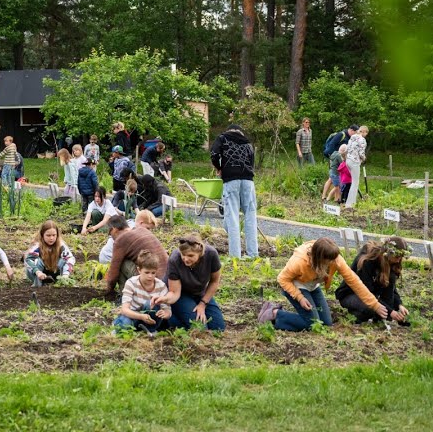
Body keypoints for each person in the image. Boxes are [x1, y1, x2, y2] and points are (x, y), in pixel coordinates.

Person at [258, 238, 387, 331]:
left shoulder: (335, 259)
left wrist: (374, 304)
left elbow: (354, 282)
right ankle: (274, 313)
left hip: (313, 286)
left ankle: (282, 315)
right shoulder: (299, 262)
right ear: (319, 258)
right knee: (312, 324)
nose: (333, 262)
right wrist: (300, 297)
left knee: (326, 323)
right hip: (297, 285)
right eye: (329, 260)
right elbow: (282, 279)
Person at [158, 234, 225, 331]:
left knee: (218, 328)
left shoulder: (211, 254)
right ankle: (171, 319)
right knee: (200, 328)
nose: (185, 259)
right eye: (183, 255)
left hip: (199, 292)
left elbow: (214, 282)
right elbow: (174, 292)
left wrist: (202, 304)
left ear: (200, 253)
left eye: (190, 255)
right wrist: (165, 299)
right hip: (181, 294)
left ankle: (183, 316)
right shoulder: (175, 259)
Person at [336, 237, 410, 325]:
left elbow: (391, 289)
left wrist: (399, 305)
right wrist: (390, 312)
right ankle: (354, 315)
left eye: (401, 258)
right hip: (352, 293)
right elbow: (366, 292)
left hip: (370, 295)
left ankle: (377, 316)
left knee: (385, 309)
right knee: (370, 309)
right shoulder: (367, 262)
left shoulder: (391, 263)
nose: (398, 260)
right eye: (397, 257)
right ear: (388, 253)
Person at [212, 123, 259, 258]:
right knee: (250, 215)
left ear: (229, 130)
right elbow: (252, 162)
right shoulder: (247, 142)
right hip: (248, 181)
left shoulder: (222, 138)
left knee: (232, 216)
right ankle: (253, 254)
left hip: (231, 179)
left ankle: (235, 256)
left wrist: (219, 168)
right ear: (240, 132)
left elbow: (214, 154)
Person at [101, 213, 167, 297]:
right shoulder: (142, 230)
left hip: (153, 282)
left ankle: (125, 296)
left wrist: (109, 290)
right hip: (166, 280)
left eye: (110, 234)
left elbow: (113, 273)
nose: (111, 237)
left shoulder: (121, 240)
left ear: (114, 229)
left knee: (121, 263)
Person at [113, 250, 173, 335]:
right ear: (139, 270)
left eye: (153, 273)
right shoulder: (131, 283)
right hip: (133, 316)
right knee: (124, 324)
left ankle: (150, 330)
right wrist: (141, 316)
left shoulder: (161, 286)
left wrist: (165, 313)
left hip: (150, 318)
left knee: (153, 302)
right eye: (147, 272)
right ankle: (121, 326)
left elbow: (167, 310)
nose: (150, 276)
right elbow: (124, 309)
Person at [24, 220, 75, 286]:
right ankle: (38, 285)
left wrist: (66, 274)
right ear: (42, 235)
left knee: (64, 260)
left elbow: (70, 258)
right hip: (39, 273)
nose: (51, 238)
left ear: (57, 235)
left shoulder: (61, 245)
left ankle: (61, 282)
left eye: (54, 235)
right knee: (37, 261)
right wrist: (37, 272)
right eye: (48, 235)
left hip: (55, 272)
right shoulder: (37, 246)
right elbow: (28, 259)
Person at [321, 124, 359, 200]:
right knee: (332, 179)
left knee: (335, 179)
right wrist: (332, 158)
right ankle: (325, 196)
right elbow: (331, 145)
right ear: (352, 130)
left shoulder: (350, 138)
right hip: (335, 159)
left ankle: (334, 198)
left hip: (340, 160)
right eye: (355, 133)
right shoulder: (341, 135)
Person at [344, 126, 369, 208]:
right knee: (355, 183)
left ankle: (349, 202)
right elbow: (361, 153)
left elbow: (347, 148)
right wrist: (364, 158)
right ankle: (350, 204)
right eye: (366, 133)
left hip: (348, 160)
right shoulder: (362, 140)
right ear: (364, 132)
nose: (366, 135)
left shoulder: (352, 137)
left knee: (353, 182)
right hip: (355, 162)